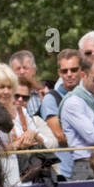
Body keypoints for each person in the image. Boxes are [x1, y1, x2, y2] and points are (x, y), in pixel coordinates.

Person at [40, 48, 82, 176]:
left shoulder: (90, 96)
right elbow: (60, 135)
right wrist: (91, 139)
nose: (69, 74)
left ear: (82, 70)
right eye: (65, 71)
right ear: (59, 73)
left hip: (89, 167)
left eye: (74, 70)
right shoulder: (51, 99)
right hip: (64, 171)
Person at [7, 50, 42, 116]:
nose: (22, 72)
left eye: (25, 68)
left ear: (34, 70)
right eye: (18, 69)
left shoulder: (42, 94)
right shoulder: (6, 95)